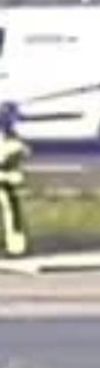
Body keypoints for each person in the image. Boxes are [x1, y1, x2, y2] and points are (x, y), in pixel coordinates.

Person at [0, 103, 29, 258]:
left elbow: (20, 153)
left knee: (12, 215)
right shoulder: (12, 138)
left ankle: (16, 247)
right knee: (12, 214)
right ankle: (15, 246)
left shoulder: (13, 139)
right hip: (7, 179)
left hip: (7, 180)